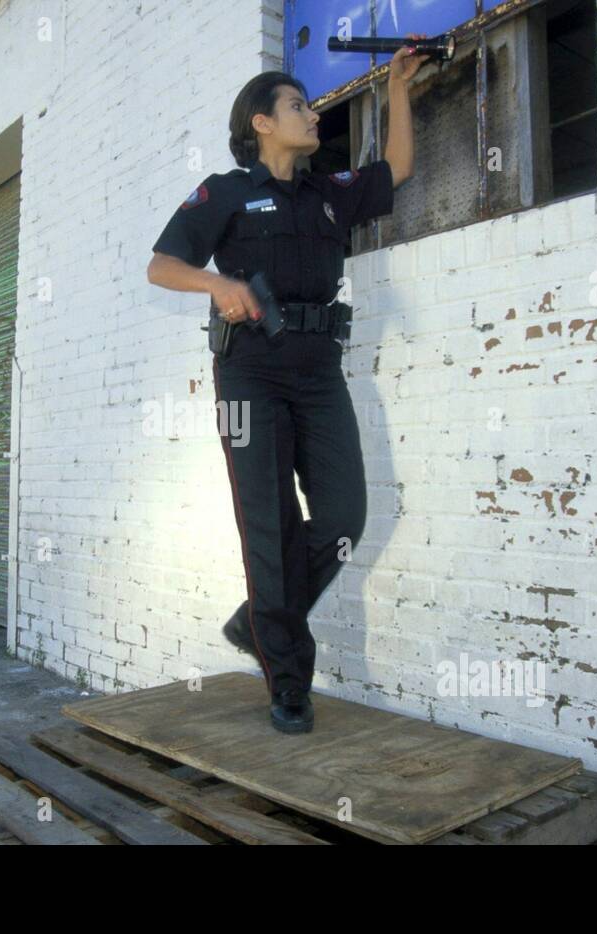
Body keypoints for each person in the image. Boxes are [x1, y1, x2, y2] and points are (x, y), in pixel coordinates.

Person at [147, 42, 425, 732]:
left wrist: (397, 88)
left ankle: (257, 620)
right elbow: (161, 265)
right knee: (268, 524)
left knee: (342, 517)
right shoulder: (226, 192)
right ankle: (289, 683)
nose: (313, 115)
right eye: (298, 105)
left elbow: (398, 169)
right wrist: (216, 282)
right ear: (261, 122)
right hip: (250, 373)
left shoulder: (327, 194)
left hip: (319, 371)